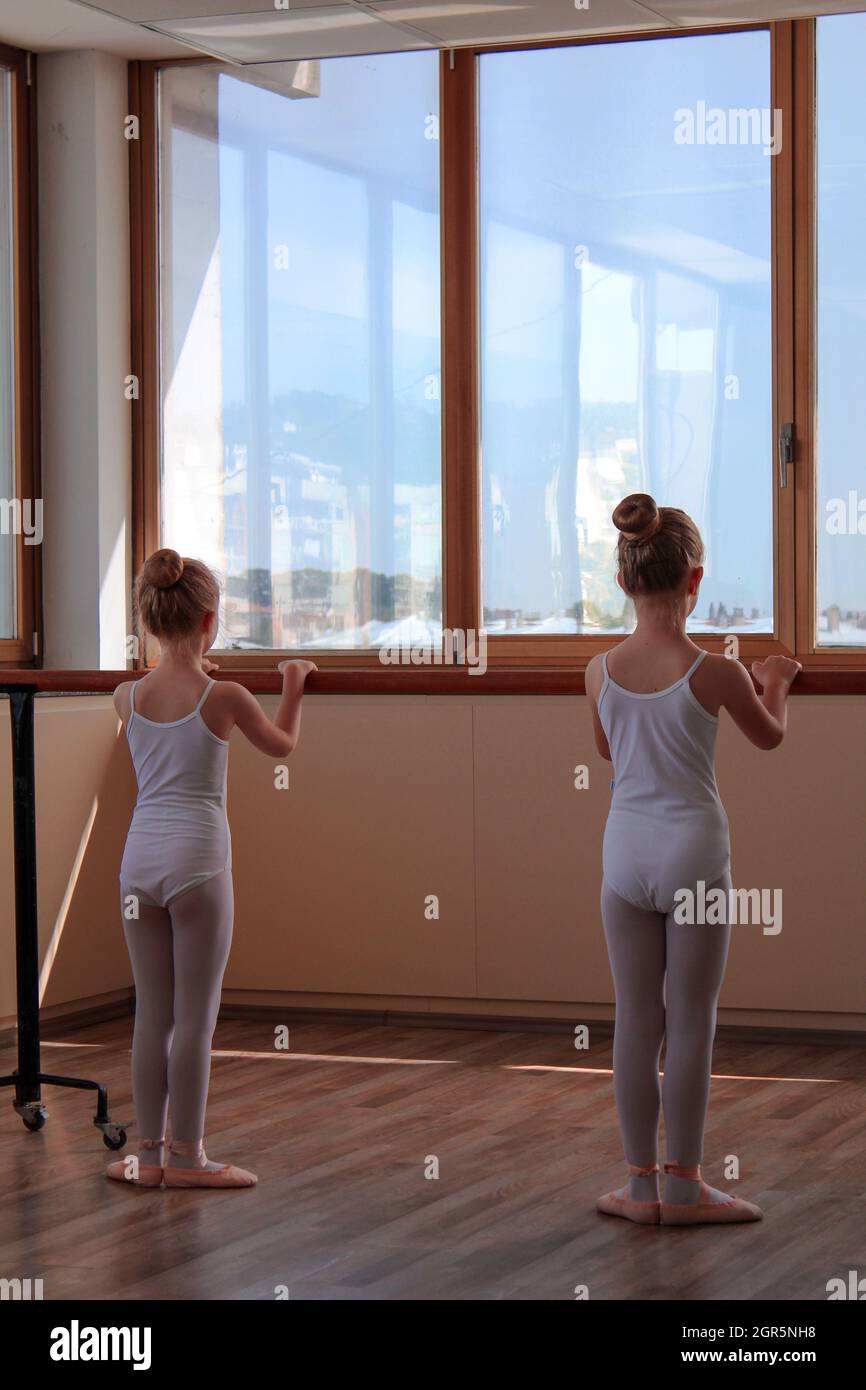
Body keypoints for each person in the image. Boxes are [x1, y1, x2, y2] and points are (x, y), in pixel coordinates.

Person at [585, 494, 800, 1225]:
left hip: (625, 857)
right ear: (695, 581)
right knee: (693, 1019)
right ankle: (685, 1186)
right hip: (694, 856)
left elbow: (608, 749)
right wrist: (779, 681)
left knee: (635, 1018)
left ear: (623, 582)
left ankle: (638, 1185)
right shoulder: (714, 672)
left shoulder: (598, 671)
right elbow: (769, 736)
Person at [107, 548, 316, 1190]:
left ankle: (146, 1156)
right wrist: (292, 682)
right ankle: (189, 1156)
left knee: (153, 1012)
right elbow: (282, 746)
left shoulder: (126, 696)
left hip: (138, 865)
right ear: (209, 620)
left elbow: (169, 695)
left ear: (149, 620)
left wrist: (187, 665)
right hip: (198, 865)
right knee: (195, 1017)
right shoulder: (223, 696)